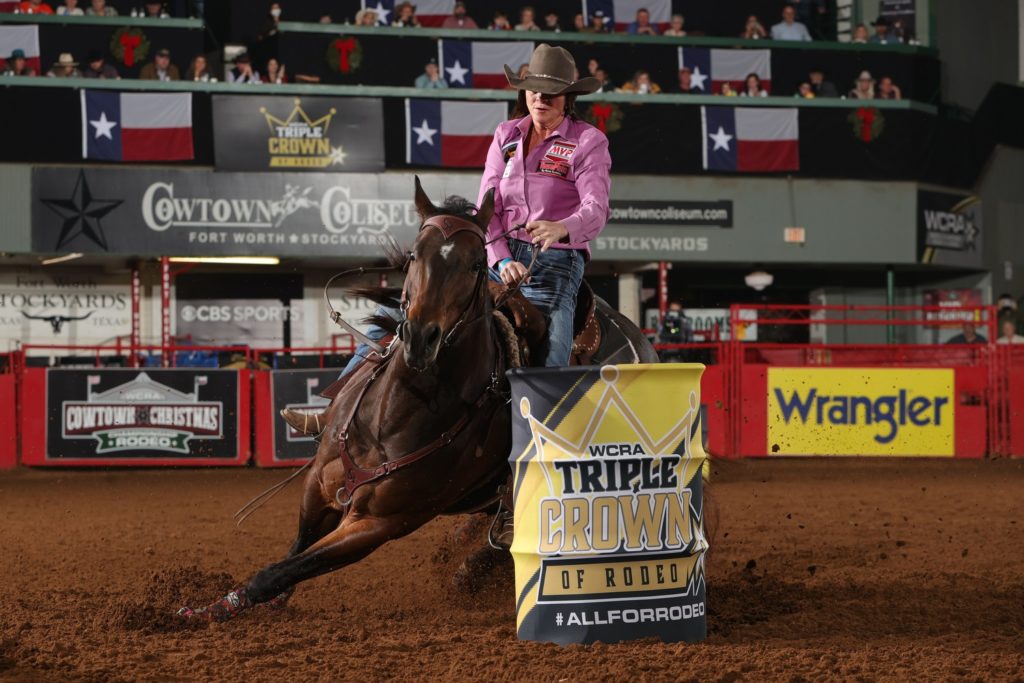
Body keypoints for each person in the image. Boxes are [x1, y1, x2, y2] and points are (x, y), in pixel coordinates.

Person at [481, 44, 609, 367]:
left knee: (551, 359)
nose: (540, 99)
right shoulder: (505, 135)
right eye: (535, 91)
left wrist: (564, 227)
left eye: (551, 93)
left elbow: (597, 208)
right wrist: (502, 259)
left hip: (557, 263)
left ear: (568, 99)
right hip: (500, 257)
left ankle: (547, 409)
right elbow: (486, 206)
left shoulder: (587, 141)